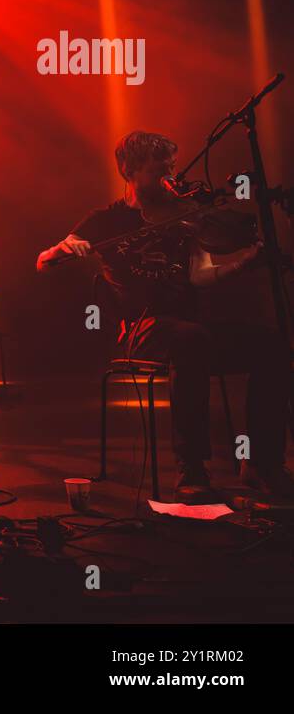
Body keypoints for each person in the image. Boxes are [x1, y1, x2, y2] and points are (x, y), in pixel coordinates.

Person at [37, 130, 293, 502]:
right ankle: (191, 469)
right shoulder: (106, 221)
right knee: (191, 338)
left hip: (190, 330)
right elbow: (43, 261)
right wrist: (66, 248)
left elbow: (199, 276)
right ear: (130, 169)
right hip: (142, 328)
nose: (172, 178)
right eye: (162, 170)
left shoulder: (187, 216)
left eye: (173, 168)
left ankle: (260, 463)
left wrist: (244, 262)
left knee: (269, 344)